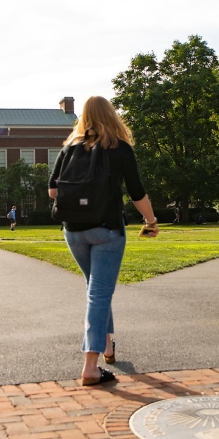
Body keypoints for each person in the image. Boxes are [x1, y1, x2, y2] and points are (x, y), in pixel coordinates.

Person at [49, 96, 157, 387]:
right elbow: (136, 192)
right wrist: (150, 221)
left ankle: (108, 347)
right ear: (112, 115)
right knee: (99, 293)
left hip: (73, 230)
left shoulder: (69, 148)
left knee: (96, 289)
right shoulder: (119, 148)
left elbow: (52, 192)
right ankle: (90, 366)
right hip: (107, 229)